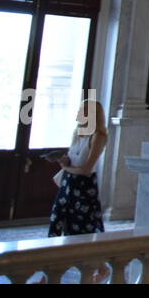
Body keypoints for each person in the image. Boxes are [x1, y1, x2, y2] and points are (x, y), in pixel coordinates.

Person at [47, 99, 107, 238]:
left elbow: (86, 169)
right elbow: (72, 159)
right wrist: (64, 161)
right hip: (68, 182)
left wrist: (66, 167)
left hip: (83, 185)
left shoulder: (98, 136)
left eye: (83, 110)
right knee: (57, 219)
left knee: (80, 224)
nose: (79, 112)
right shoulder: (78, 132)